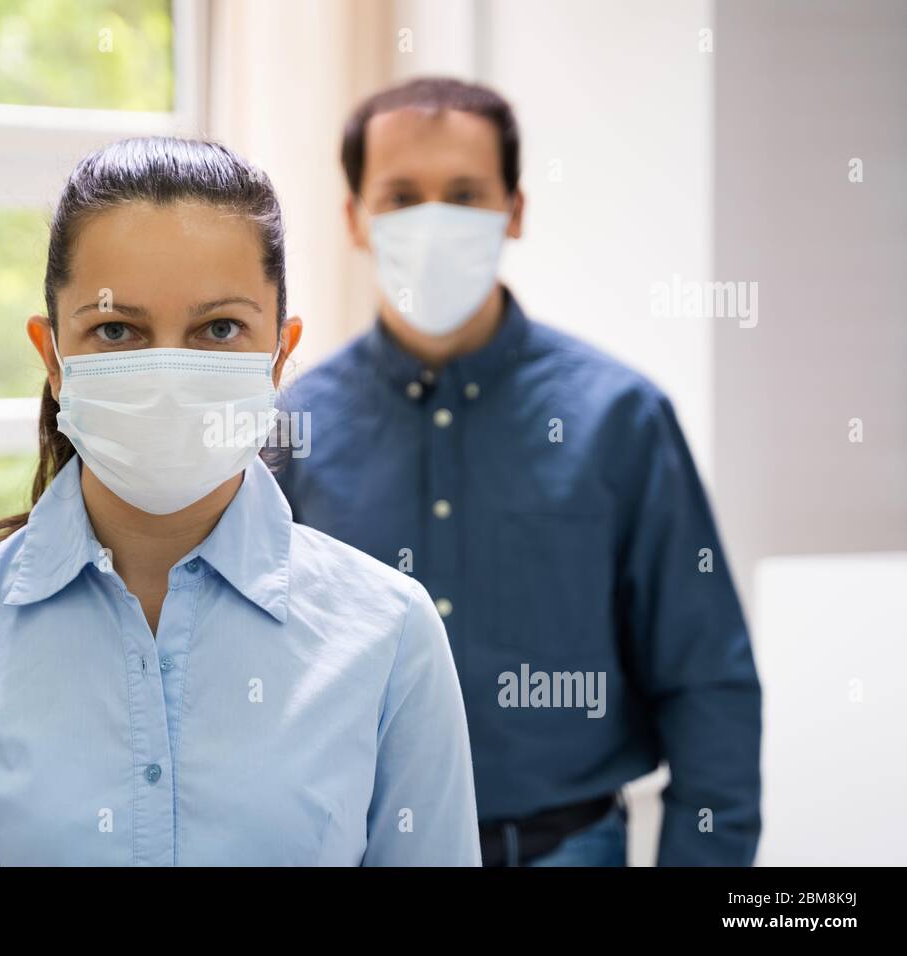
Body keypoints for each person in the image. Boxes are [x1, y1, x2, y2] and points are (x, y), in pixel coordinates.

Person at [0, 136, 480, 866]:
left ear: (280, 352)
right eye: (117, 330)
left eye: (219, 328)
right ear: (53, 357)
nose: (171, 371)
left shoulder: (390, 633)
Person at [276, 77, 762, 866]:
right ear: (354, 219)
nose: (433, 220)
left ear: (516, 208)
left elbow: (707, 681)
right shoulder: (284, 431)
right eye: (401, 196)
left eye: (465, 194)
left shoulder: (621, 419)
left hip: (569, 846)